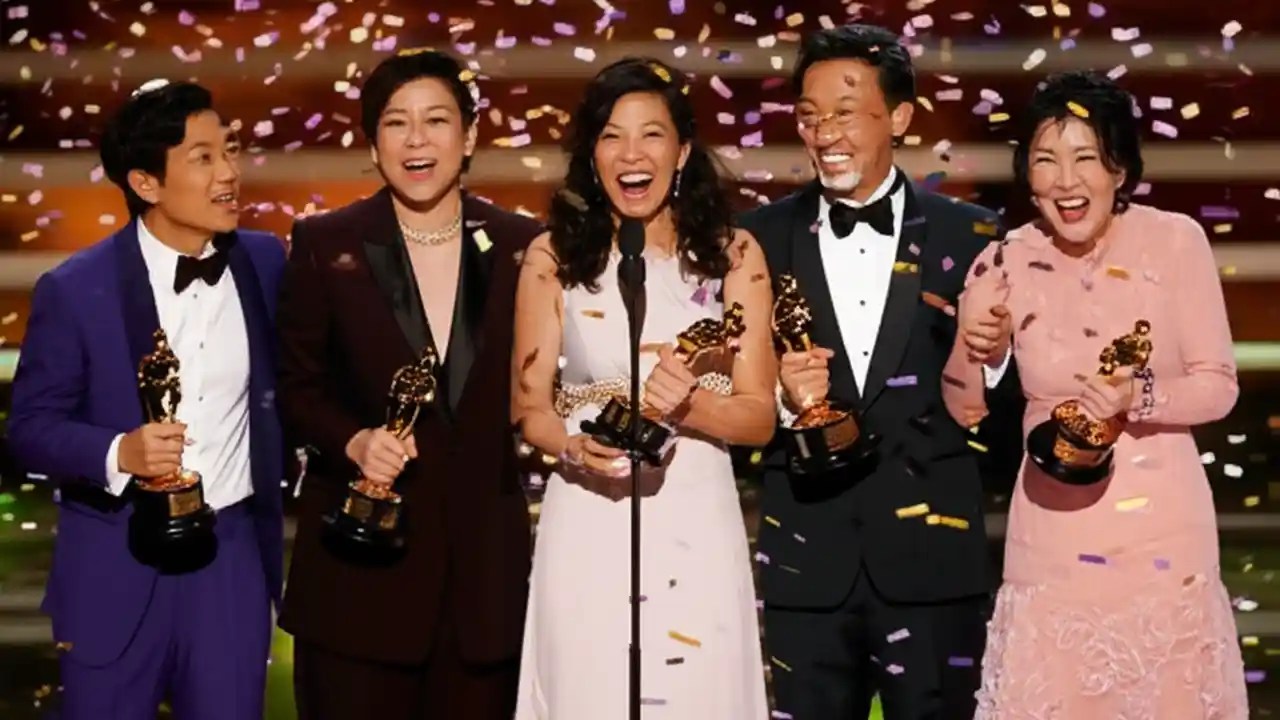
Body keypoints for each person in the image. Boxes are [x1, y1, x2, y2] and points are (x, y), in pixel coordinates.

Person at [736, 24, 1024, 719]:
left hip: (934, 567)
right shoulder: (756, 239)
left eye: (844, 111)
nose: (823, 131)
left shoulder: (975, 234)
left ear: (899, 116)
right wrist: (781, 397)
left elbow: (1016, 410)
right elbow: (732, 393)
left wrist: (994, 355)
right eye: (809, 114)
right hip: (807, 570)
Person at [943, 70, 1249, 719]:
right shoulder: (1003, 259)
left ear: (1121, 168)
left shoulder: (1175, 240)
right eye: (1047, 160)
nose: (1066, 181)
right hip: (1050, 548)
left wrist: (1135, 398)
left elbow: (1217, 386)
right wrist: (973, 343)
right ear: (1027, 173)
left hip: (1163, 547)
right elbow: (962, 405)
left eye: (1087, 158)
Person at [6, 80, 286, 719]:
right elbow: (28, 428)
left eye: (231, 151)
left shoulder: (266, 263)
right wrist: (118, 451)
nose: (229, 174)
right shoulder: (75, 290)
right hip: (114, 561)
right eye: (204, 157)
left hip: (231, 560)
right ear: (146, 183)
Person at [276, 49, 542, 720]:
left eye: (436, 120)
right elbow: (295, 389)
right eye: (396, 123)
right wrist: (356, 440)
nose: (417, 140)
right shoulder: (323, 243)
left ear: (471, 135)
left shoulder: (525, 247)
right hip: (358, 578)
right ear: (373, 143)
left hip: (484, 586)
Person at [511, 57, 775, 719]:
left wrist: (690, 402)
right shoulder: (551, 258)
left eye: (651, 134)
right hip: (588, 516)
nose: (632, 153)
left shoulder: (734, 255)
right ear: (591, 154)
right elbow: (529, 408)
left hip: (697, 519)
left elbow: (761, 419)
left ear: (682, 150)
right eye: (611, 135)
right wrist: (573, 448)